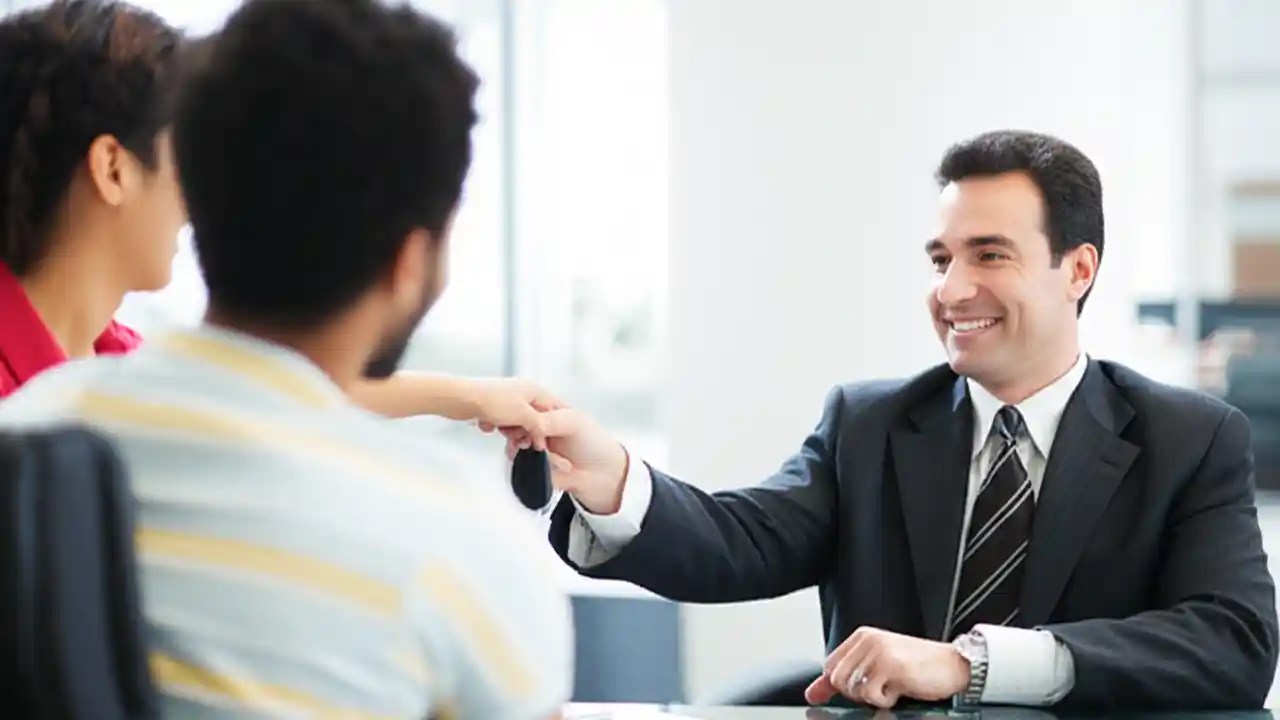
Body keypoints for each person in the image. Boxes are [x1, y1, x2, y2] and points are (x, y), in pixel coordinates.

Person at [521, 130, 1279, 711]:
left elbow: (1232, 642)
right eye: (939, 259)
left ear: (1077, 270)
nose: (952, 290)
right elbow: (738, 544)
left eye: (989, 256)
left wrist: (971, 662)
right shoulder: (871, 424)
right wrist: (611, 478)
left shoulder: (1189, 438)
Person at [0, 0, 571, 717]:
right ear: (410, 261)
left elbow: (263, 396)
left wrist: (459, 395)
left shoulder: (30, 428)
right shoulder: (465, 545)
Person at [0, 0, 559, 448]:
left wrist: (467, 398)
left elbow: (282, 384)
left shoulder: (111, 354)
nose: (198, 196)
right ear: (113, 169)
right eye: (185, 156)